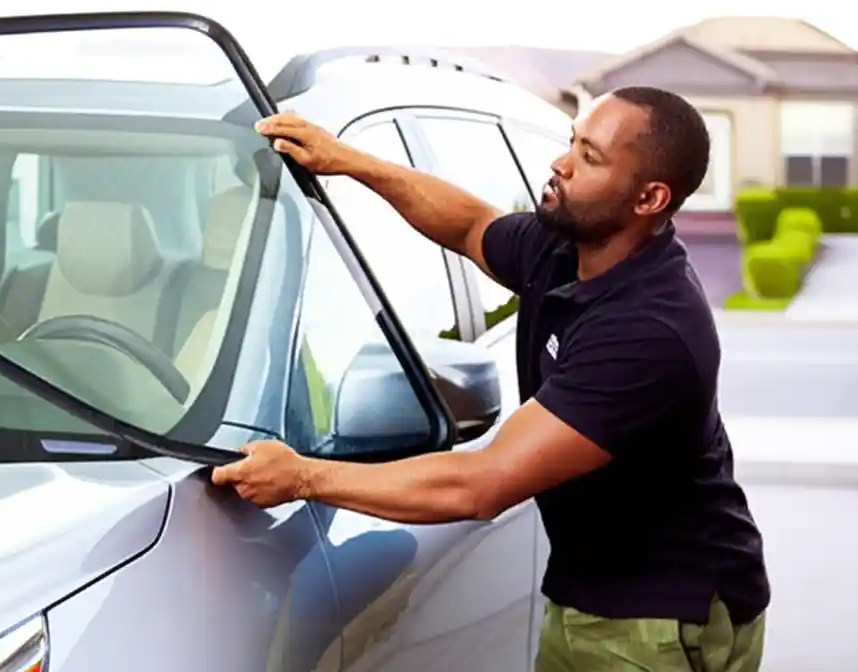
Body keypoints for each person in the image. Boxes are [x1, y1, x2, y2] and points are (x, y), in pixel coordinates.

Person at [211, 86, 770, 671]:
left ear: (650, 197)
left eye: (591, 158)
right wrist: (346, 160)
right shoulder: (568, 246)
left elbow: (481, 484)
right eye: (571, 142)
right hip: (591, 589)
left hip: (660, 616)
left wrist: (301, 476)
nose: (561, 163)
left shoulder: (648, 331)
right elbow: (470, 226)